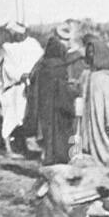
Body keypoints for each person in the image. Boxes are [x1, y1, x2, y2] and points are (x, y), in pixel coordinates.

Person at [28, 25, 83, 165]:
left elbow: (32, 78)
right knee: (66, 132)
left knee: (50, 134)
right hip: (62, 105)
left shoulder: (43, 63)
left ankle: (50, 158)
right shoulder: (64, 62)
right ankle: (66, 159)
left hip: (45, 106)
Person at [0, 21, 43, 154]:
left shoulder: (33, 44)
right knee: (10, 117)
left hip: (30, 86)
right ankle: (8, 148)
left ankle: (24, 146)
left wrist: (33, 75)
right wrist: (20, 76)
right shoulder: (8, 48)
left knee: (25, 116)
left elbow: (40, 61)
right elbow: (7, 68)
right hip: (14, 89)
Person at [79, 34, 109, 169]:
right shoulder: (89, 76)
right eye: (89, 52)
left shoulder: (105, 79)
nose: (90, 55)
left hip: (104, 132)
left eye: (93, 52)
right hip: (93, 132)